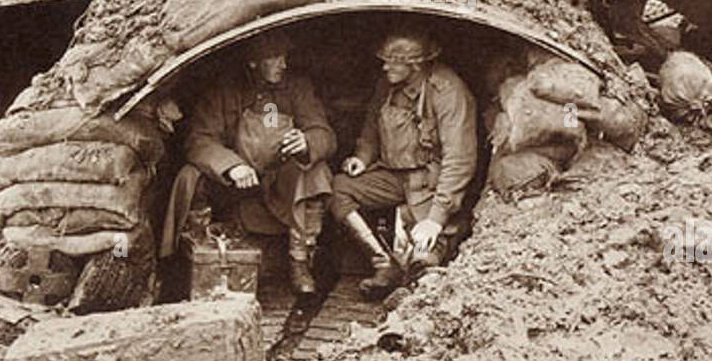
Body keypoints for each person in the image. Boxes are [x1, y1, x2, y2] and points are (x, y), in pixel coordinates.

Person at [163, 30, 335, 301]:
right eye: (275, 58)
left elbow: (324, 133)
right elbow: (198, 140)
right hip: (236, 188)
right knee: (190, 177)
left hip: (281, 184)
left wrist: (307, 141)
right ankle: (201, 256)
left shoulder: (297, 88)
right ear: (253, 62)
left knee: (317, 172)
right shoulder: (224, 91)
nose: (284, 64)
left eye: (285, 57)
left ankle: (300, 260)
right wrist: (231, 166)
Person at [331, 29, 478, 300]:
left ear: (416, 64)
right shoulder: (387, 84)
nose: (385, 66)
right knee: (341, 188)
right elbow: (371, 127)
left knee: (426, 257)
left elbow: (460, 160)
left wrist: (436, 219)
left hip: (429, 183)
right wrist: (362, 157)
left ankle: (413, 289)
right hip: (392, 175)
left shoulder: (447, 91)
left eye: (393, 61)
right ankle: (384, 264)